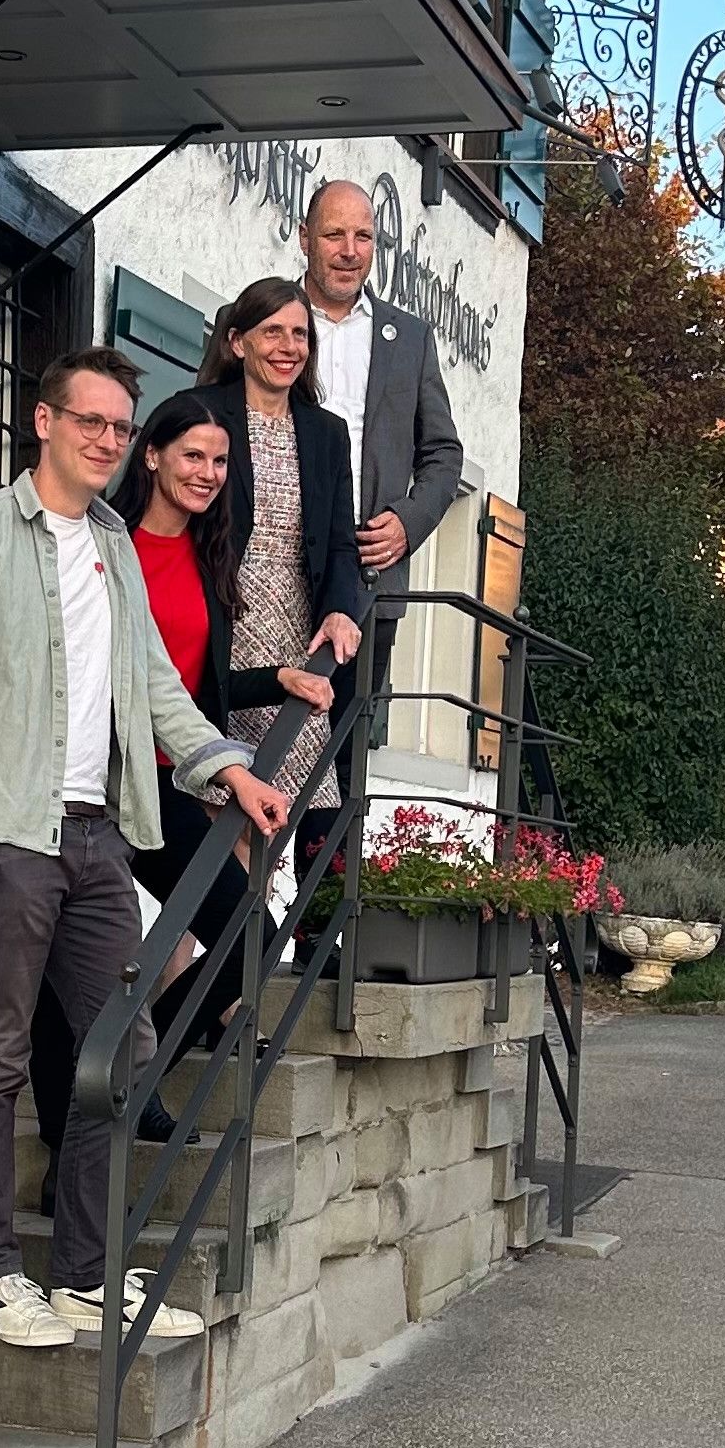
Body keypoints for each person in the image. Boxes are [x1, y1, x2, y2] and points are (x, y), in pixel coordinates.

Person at [0, 346, 289, 1349]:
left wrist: (226, 767)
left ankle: (80, 1274)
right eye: (92, 422)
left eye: (120, 427)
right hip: (5, 831)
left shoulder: (112, 543)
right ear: (44, 422)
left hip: (98, 836)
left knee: (125, 1046)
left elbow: (153, 685)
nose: (108, 441)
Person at [28, 392, 334, 1180]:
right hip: (89, 780)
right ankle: (71, 1143)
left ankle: (132, 1068)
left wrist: (278, 679)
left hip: (168, 782)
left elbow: (184, 681)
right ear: (153, 455)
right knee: (66, 972)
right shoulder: (104, 541)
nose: (206, 472)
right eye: (191, 454)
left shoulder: (210, 557)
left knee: (246, 931)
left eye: (220, 460)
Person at [294, 180, 464, 959]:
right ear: (306, 238)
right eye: (336, 235)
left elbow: (444, 453)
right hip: (273, 565)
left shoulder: (410, 338)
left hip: (367, 579)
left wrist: (409, 522)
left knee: (340, 753)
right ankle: (237, 935)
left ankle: (319, 938)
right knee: (254, 737)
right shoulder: (273, 320)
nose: (350, 251)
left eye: (364, 237)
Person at [192, 277, 362, 815]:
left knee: (309, 804)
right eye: (273, 332)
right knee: (224, 794)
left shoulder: (327, 432)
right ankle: (245, 900)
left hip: (295, 622)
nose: (288, 347)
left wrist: (339, 610)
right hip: (218, 612)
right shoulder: (198, 411)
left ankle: (292, 901)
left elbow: (340, 541)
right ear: (238, 341)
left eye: (300, 334)